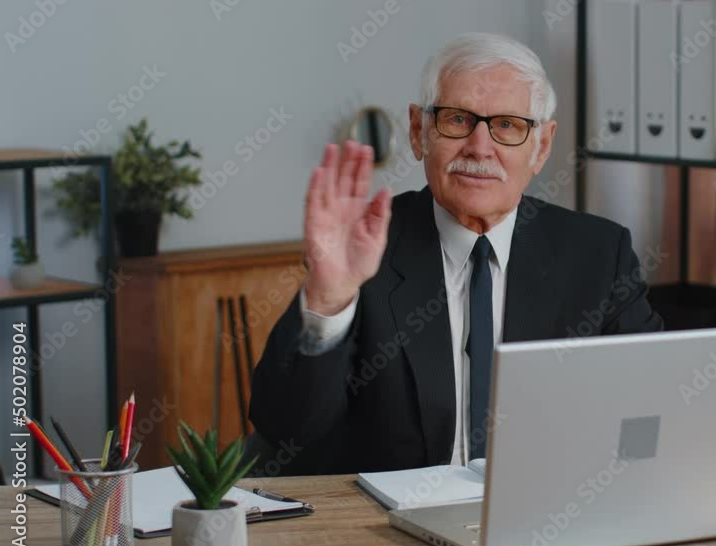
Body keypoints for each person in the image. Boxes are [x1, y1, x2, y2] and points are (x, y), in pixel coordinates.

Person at [249, 32, 663, 475]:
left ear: (541, 146)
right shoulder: (365, 249)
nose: (480, 148)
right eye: (458, 119)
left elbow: (651, 407)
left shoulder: (598, 254)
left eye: (508, 125)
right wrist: (329, 300)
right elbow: (286, 432)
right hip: (387, 515)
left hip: (542, 508)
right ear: (418, 131)